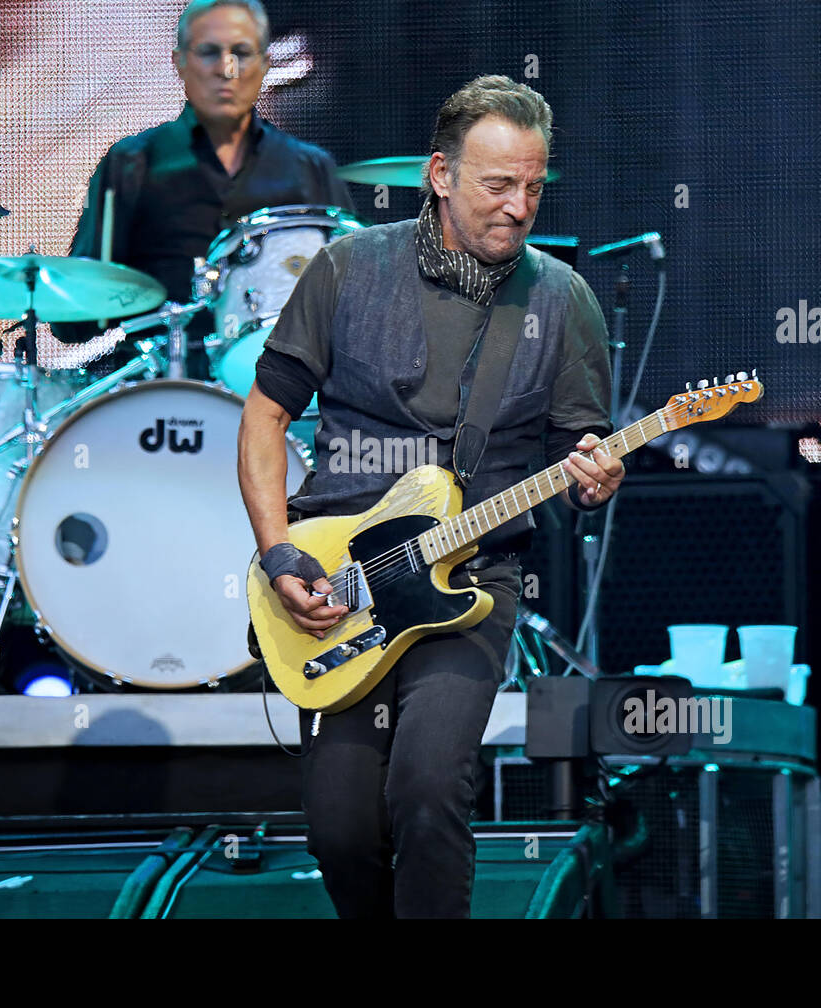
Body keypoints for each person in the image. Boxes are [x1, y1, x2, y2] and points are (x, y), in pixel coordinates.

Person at [237, 76, 626, 918]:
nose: (518, 206)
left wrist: (597, 478)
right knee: (338, 827)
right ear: (440, 175)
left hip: (471, 585)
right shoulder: (346, 269)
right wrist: (278, 554)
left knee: (427, 788)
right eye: (497, 185)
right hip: (340, 582)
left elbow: (580, 457)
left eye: (533, 185)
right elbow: (266, 416)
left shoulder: (562, 302)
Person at [54, 0, 354, 376]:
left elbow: (354, 291)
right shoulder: (131, 161)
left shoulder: (311, 166)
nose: (226, 69)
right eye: (209, 52)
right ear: (180, 62)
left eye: (242, 53)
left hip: (282, 382)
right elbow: (75, 320)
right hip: (163, 380)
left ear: (263, 65)